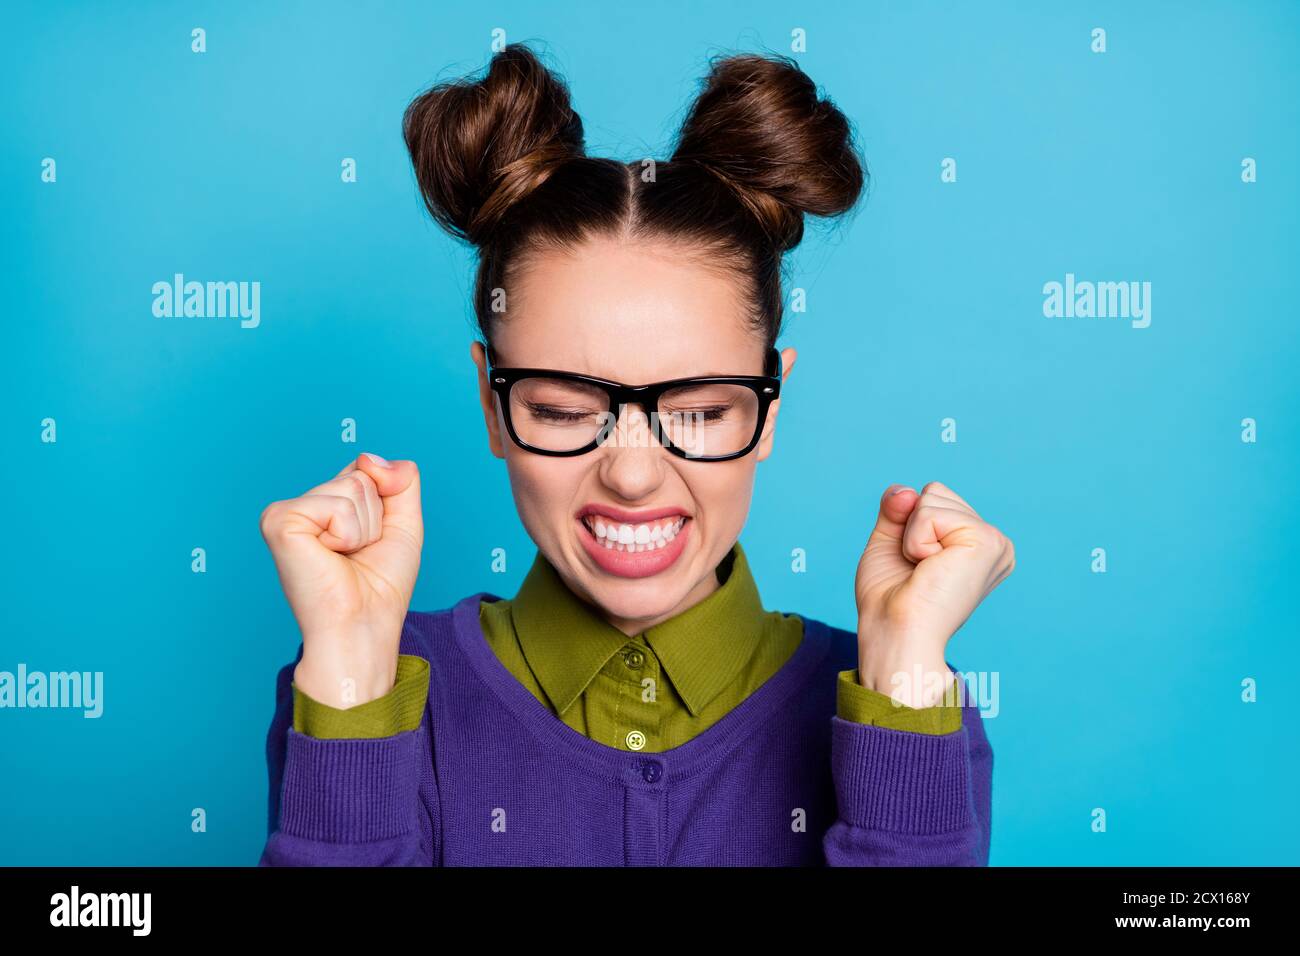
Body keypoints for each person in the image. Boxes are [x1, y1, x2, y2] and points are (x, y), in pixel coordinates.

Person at [257, 42, 1013, 866]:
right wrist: (352, 674)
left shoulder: (902, 702)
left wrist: (902, 677)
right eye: (561, 407)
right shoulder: (368, 685)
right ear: (492, 403)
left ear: (768, 409)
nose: (631, 471)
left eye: (697, 410)